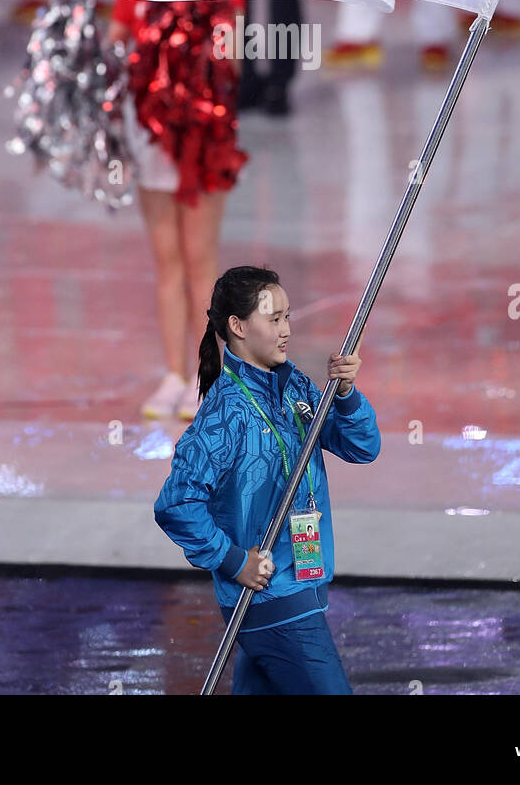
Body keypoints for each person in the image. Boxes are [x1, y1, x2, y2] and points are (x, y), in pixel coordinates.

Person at [154, 267, 380, 695]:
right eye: (274, 319)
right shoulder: (226, 412)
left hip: (305, 582)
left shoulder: (294, 385)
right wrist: (233, 560)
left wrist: (347, 394)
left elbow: (362, 447)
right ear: (238, 327)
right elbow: (176, 503)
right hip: (271, 598)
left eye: (287, 317)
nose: (286, 330)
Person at [107, 0, 247, 420]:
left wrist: (191, 48)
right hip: (150, 135)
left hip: (203, 136)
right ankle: (173, 373)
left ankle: (209, 376)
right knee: (167, 260)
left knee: (199, 262)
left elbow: (233, 63)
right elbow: (114, 48)